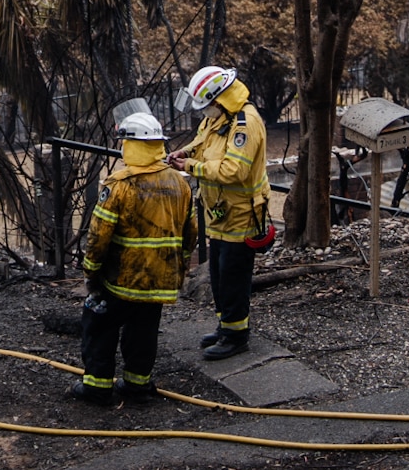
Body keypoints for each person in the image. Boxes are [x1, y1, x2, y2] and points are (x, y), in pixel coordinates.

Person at [74, 110, 195, 405]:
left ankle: (97, 388)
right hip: (159, 280)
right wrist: (180, 267)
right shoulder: (179, 183)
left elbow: (99, 236)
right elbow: (190, 232)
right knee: (144, 329)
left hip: (121, 279)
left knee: (99, 325)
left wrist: (91, 272)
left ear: (129, 144)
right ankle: (137, 385)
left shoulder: (119, 185)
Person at [171, 65, 269, 360]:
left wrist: (189, 167)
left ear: (220, 99)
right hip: (220, 213)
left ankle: (237, 336)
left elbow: (234, 171)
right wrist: (186, 153)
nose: (204, 113)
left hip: (241, 216)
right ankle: (226, 326)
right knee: (217, 273)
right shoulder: (221, 119)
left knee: (233, 276)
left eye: (207, 106)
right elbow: (203, 143)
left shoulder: (244, 124)